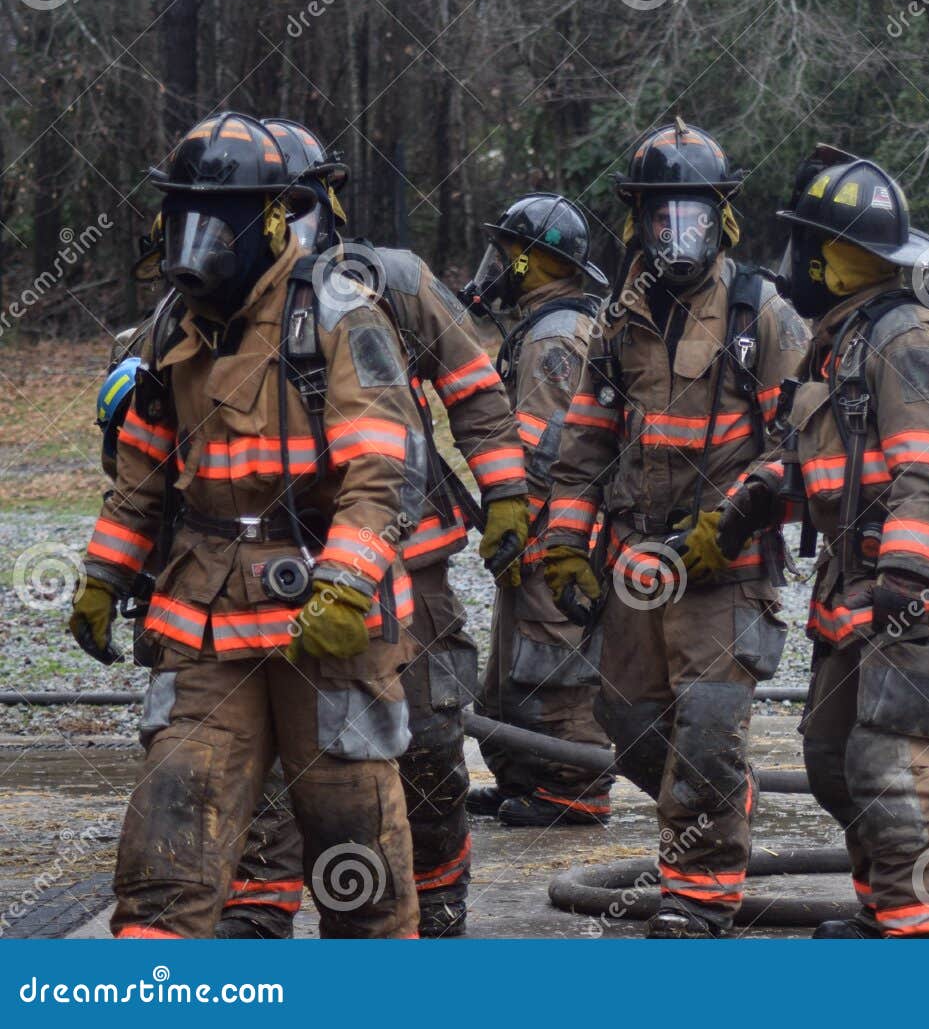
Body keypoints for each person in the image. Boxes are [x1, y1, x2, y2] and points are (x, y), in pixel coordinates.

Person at [69, 111, 424, 937]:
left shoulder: (340, 309)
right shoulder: (171, 326)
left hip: (326, 636)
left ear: (272, 219)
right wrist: (102, 575)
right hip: (206, 625)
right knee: (167, 851)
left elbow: (384, 467)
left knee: (356, 865)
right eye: (183, 216)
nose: (199, 240)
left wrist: (343, 585)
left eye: (217, 220)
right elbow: (141, 479)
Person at [210, 118, 531, 939]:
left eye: (299, 205)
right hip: (261, 571)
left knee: (422, 745)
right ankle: (259, 916)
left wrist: (505, 496)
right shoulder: (217, 298)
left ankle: (435, 908)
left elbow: (476, 392)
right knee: (273, 761)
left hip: (403, 567)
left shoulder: (390, 281)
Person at [711, 152, 929, 937]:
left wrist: (906, 573)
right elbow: (827, 452)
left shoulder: (908, 338)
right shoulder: (844, 339)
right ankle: (887, 905)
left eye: (806, 249)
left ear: (838, 259)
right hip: (855, 592)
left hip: (914, 596)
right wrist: (755, 496)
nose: (793, 268)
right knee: (834, 754)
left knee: (901, 765)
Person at [538, 119, 809, 938]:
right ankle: (715, 813)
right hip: (635, 565)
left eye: (692, 215)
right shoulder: (619, 320)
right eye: (662, 216)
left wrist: (729, 525)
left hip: (724, 573)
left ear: (722, 218)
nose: (676, 233)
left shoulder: (762, 314)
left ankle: (699, 895)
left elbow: (800, 447)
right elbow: (585, 439)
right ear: (639, 221)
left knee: (708, 731)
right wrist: (563, 542)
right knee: (627, 723)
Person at [465, 193, 617, 827]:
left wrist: (519, 513)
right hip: (535, 531)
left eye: (504, 252)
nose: (493, 264)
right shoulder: (544, 325)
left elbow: (551, 445)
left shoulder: (554, 338)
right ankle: (525, 777)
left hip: (556, 532)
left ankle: (573, 788)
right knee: (511, 670)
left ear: (531, 261)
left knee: (555, 661)